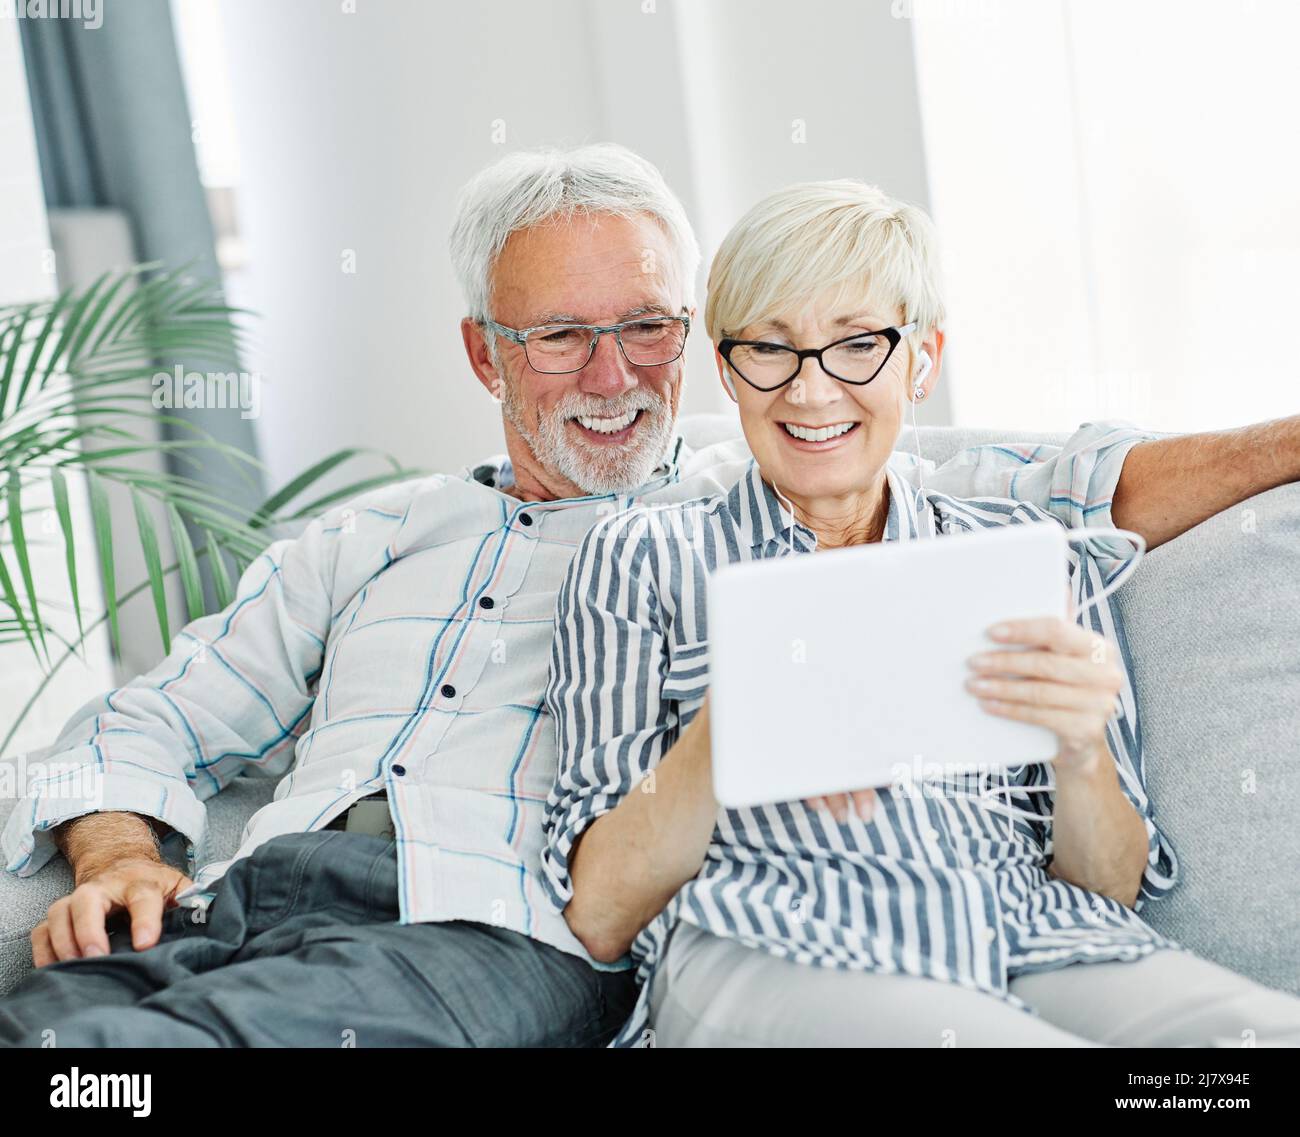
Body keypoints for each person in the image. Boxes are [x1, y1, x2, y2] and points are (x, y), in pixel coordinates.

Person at [2, 147, 1298, 1048]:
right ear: (482, 352)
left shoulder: (779, 463)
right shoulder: (366, 539)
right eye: (560, 336)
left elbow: (1078, 479)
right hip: (256, 902)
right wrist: (118, 852)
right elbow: (149, 720)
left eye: (651, 327)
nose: (613, 375)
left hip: (486, 926)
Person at [542, 178, 1300, 1048]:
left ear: (923, 359)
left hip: (1036, 937)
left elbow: (1108, 888)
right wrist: (729, 731)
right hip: (775, 944)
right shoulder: (641, 556)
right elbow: (599, 913)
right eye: (771, 349)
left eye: (857, 343)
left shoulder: (1021, 550)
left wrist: (1082, 749)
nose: (812, 390)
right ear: (728, 369)